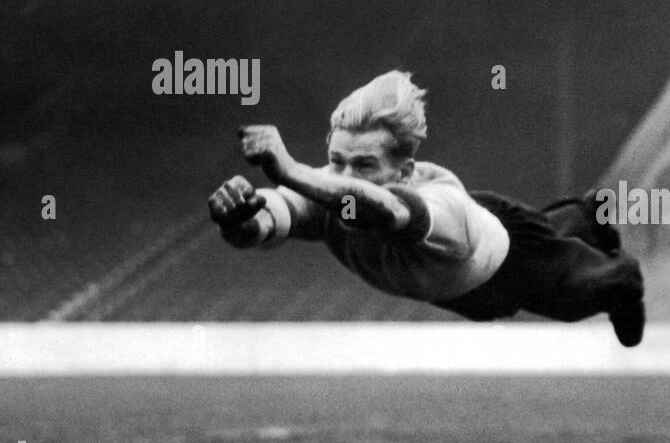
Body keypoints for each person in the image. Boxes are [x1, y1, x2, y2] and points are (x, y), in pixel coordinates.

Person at [206, 70, 645, 346]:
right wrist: (241, 218)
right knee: (560, 226)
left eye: (364, 165)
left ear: (405, 170)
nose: (342, 175)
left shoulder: (434, 203)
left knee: (578, 297)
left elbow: (381, 213)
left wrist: (288, 169)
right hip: (464, 285)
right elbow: (271, 220)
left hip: (511, 262)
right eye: (336, 160)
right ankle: (588, 216)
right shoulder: (326, 191)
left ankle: (622, 276)